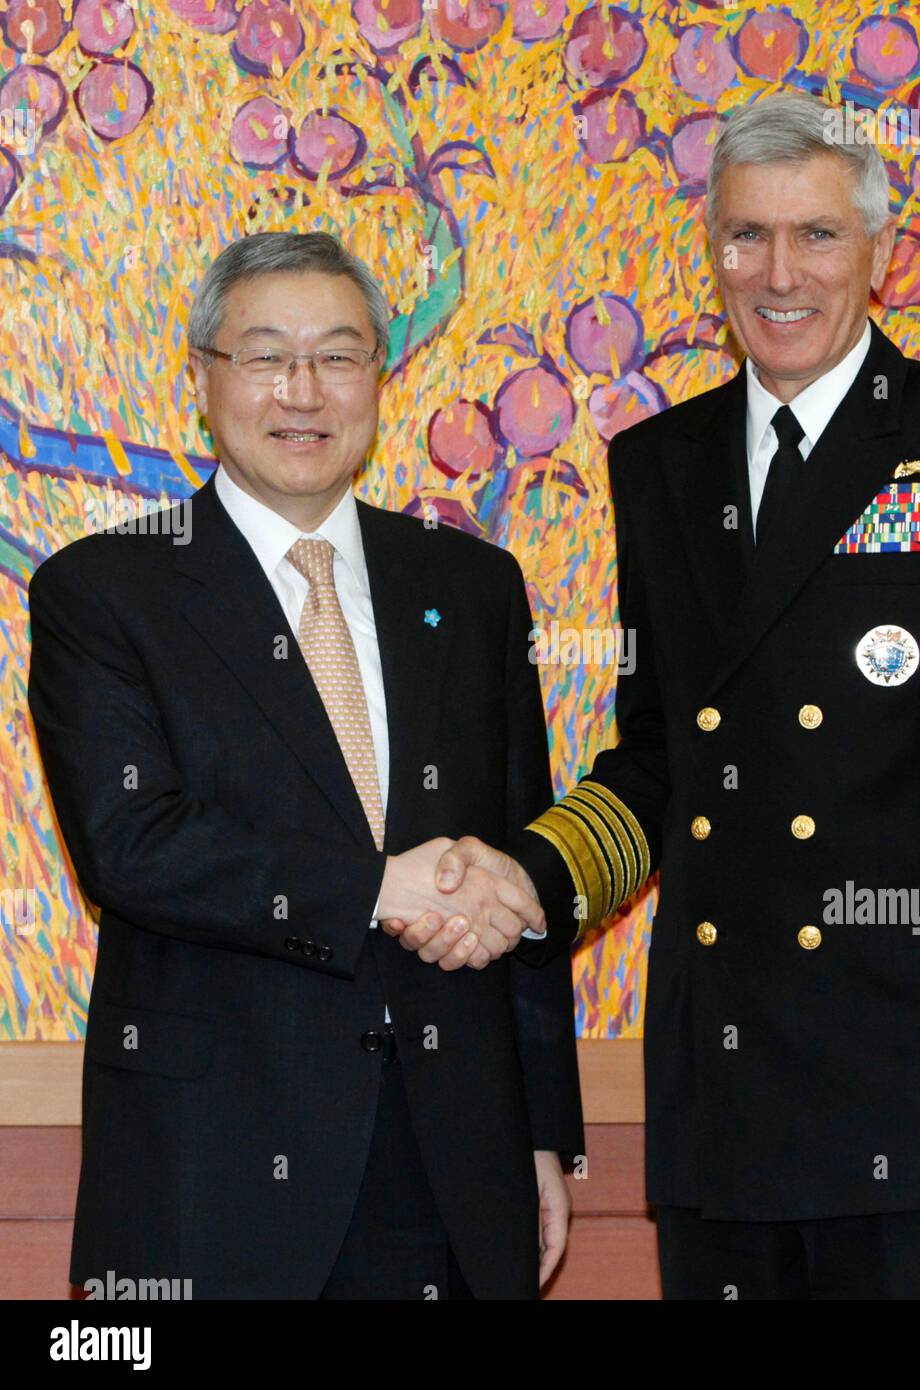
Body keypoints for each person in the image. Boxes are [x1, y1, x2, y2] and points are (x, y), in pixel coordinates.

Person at [395, 93, 920, 1299]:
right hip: (726, 1097)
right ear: (714, 250)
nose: (777, 272)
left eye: (817, 236)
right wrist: (527, 878)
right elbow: (661, 759)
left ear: (881, 255)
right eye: (746, 236)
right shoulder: (659, 465)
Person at [27, 231, 583, 1300]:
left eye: (338, 354)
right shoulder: (105, 593)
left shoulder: (471, 586)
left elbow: (519, 864)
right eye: (266, 354)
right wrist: (381, 887)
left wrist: (544, 1132)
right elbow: (135, 847)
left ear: (378, 374)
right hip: (217, 1168)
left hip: (453, 1166)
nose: (303, 390)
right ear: (203, 378)